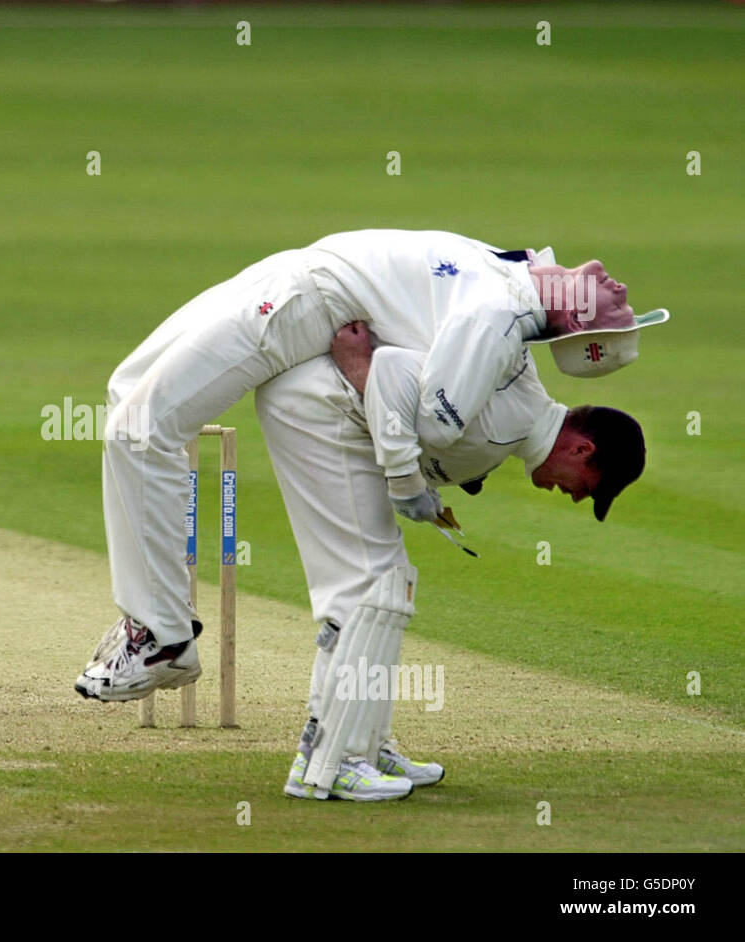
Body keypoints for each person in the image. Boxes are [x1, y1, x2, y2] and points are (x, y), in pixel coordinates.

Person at [75, 230, 662, 792]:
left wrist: (401, 434)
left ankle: (339, 728)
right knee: (136, 414)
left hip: (310, 285)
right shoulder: (507, 309)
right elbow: (425, 408)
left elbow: (428, 401)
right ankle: (161, 637)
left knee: (137, 413)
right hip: (307, 292)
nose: (581, 498)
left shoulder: (513, 308)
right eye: (592, 485)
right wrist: (391, 437)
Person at [261, 322, 644, 800]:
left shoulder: (513, 433)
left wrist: (425, 486)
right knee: (366, 589)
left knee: (390, 591)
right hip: (318, 414)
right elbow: (393, 369)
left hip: (332, 418)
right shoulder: (513, 420)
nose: (573, 497)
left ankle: (365, 744)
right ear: (582, 449)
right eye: (586, 487)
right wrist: (404, 479)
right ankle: (325, 762)